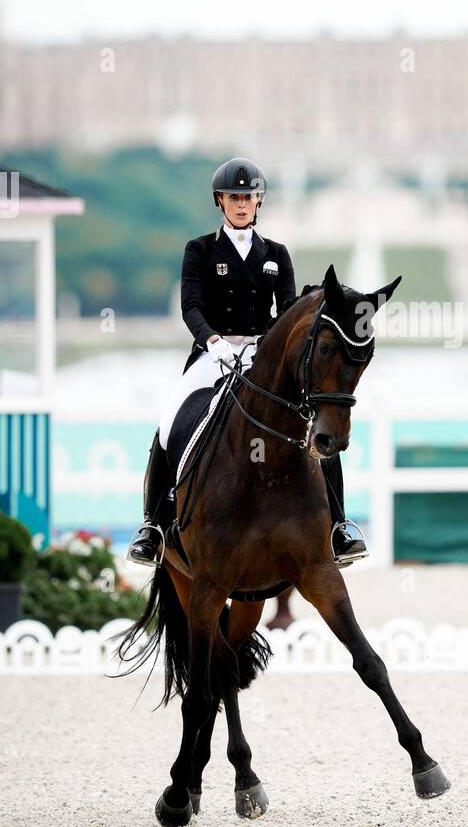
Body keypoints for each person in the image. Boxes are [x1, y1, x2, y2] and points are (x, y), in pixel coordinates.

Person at [126, 156, 368, 568]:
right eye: (233, 197)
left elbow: (287, 310)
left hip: (261, 354)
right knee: (169, 422)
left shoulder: (276, 253)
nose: (241, 204)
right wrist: (212, 340)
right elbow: (191, 306)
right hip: (213, 353)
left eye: (248, 197)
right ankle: (152, 525)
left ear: (259, 202)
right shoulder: (200, 250)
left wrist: (270, 345)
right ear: (220, 201)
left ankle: (338, 526)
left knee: (314, 424)